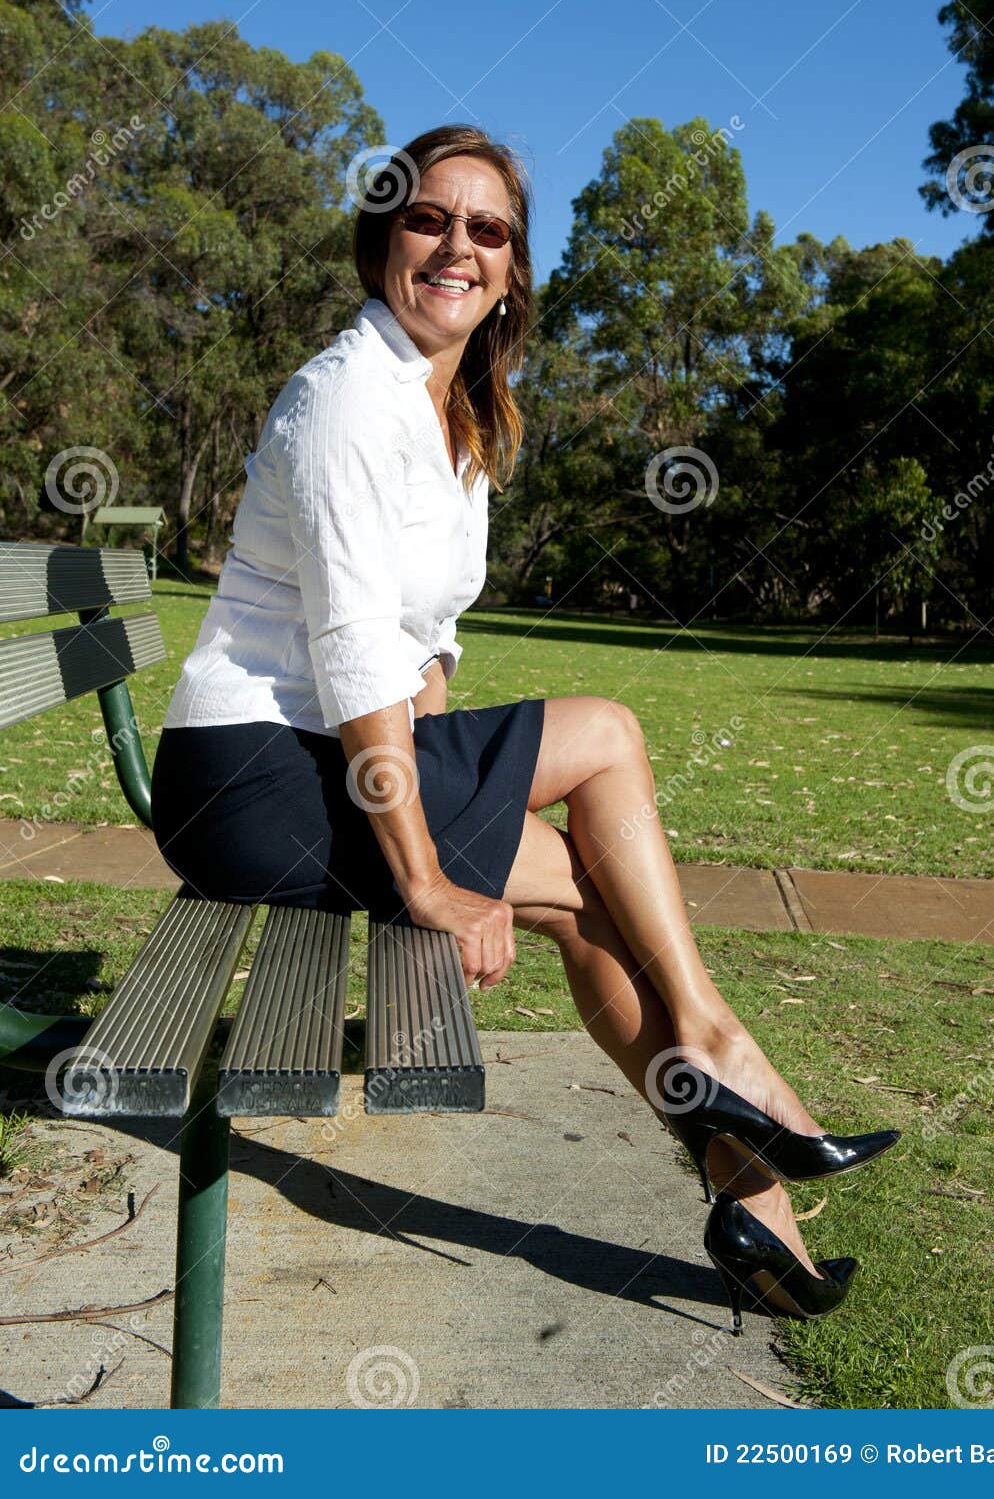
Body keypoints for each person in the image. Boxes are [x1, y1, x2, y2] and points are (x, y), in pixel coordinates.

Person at [151, 123, 898, 1336]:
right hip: (247, 777)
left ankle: (753, 1193)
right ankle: (726, 1069)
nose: (458, 245)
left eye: (487, 228)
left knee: (593, 899)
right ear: (382, 242)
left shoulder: (454, 411)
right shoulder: (345, 399)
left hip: (326, 762)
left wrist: (457, 801)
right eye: (428, 218)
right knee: (604, 736)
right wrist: (428, 879)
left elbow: (426, 641)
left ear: (510, 269)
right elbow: (353, 650)